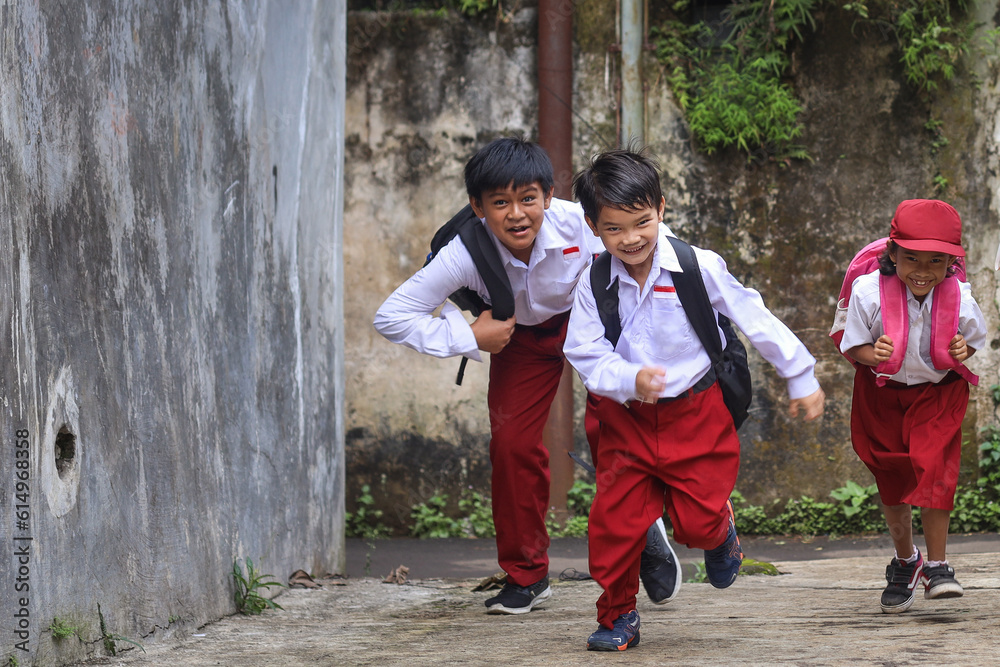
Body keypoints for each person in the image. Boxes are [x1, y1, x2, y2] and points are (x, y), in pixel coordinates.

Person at [373, 136, 681, 614]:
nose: (517, 214)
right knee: (512, 445)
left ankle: (642, 529)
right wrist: (468, 335)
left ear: (548, 195)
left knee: (614, 434)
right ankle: (527, 575)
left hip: (593, 325)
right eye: (500, 202)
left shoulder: (580, 220)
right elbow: (391, 315)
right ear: (478, 207)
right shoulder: (462, 253)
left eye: (528, 199)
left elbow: (646, 241)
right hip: (520, 339)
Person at [564, 146, 825, 651]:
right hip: (627, 420)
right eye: (614, 228)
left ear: (661, 208)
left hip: (696, 414)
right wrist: (627, 378)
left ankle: (720, 528)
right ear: (594, 227)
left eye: (641, 222)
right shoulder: (593, 282)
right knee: (614, 527)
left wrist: (801, 375)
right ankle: (617, 615)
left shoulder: (695, 266)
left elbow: (755, 317)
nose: (631, 238)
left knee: (697, 524)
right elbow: (584, 350)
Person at [839, 199, 987, 614]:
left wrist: (962, 347)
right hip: (882, 395)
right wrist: (874, 353)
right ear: (892, 253)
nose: (923, 271)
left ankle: (939, 567)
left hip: (938, 393)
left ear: (950, 264)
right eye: (911, 259)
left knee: (936, 467)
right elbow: (853, 346)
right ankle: (907, 562)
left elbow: (973, 339)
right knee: (893, 478)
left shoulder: (958, 293)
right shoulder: (868, 292)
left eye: (935, 261)